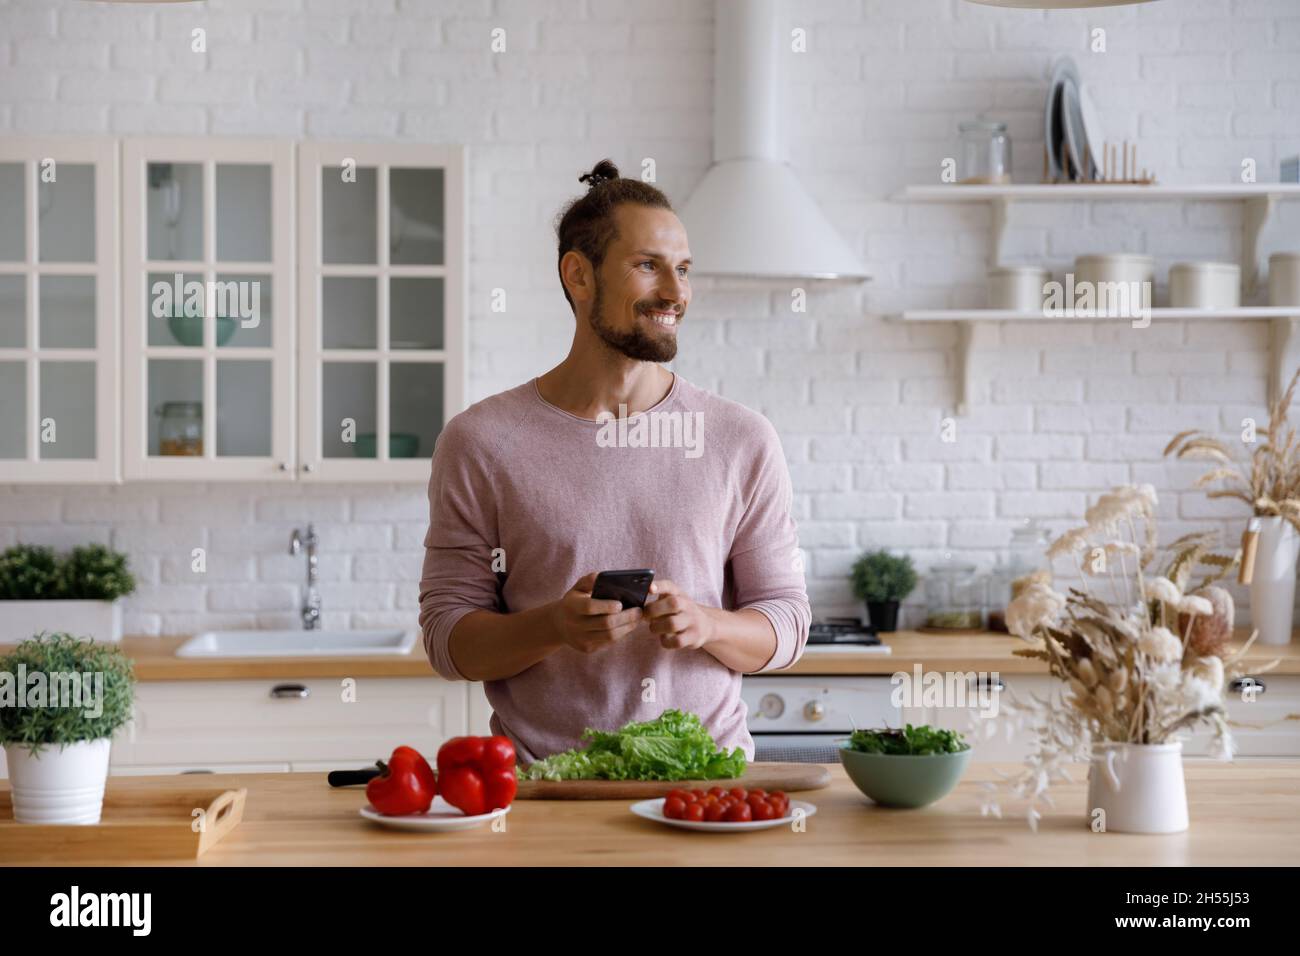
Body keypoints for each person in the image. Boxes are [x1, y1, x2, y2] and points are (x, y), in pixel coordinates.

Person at [418, 158, 810, 765]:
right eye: (648, 266)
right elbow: (448, 642)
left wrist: (708, 624)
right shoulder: (481, 442)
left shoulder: (741, 439)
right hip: (542, 795)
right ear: (578, 275)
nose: (676, 294)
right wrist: (554, 626)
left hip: (704, 789)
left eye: (683, 270)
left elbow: (786, 626)